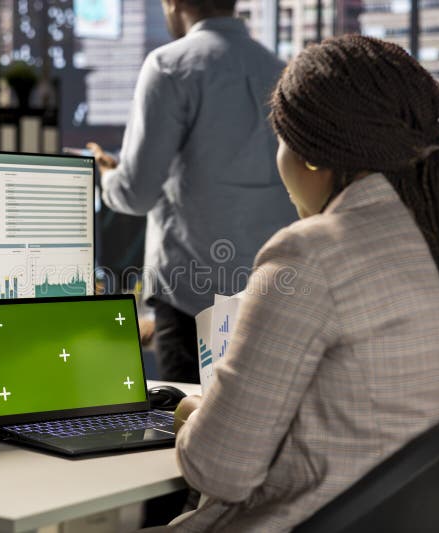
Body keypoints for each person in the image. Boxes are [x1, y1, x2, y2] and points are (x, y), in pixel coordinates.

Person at [161, 35, 439, 532]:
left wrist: (192, 413)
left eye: (280, 140)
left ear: (310, 156)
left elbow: (218, 471)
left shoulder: (309, 254)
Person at [87, 0, 295, 384]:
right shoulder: (280, 70)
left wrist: (107, 177)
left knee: (185, 416)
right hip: (267, 298)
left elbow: (136, 193)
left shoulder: (169, 66)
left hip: (190, 300)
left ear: (173, 3)